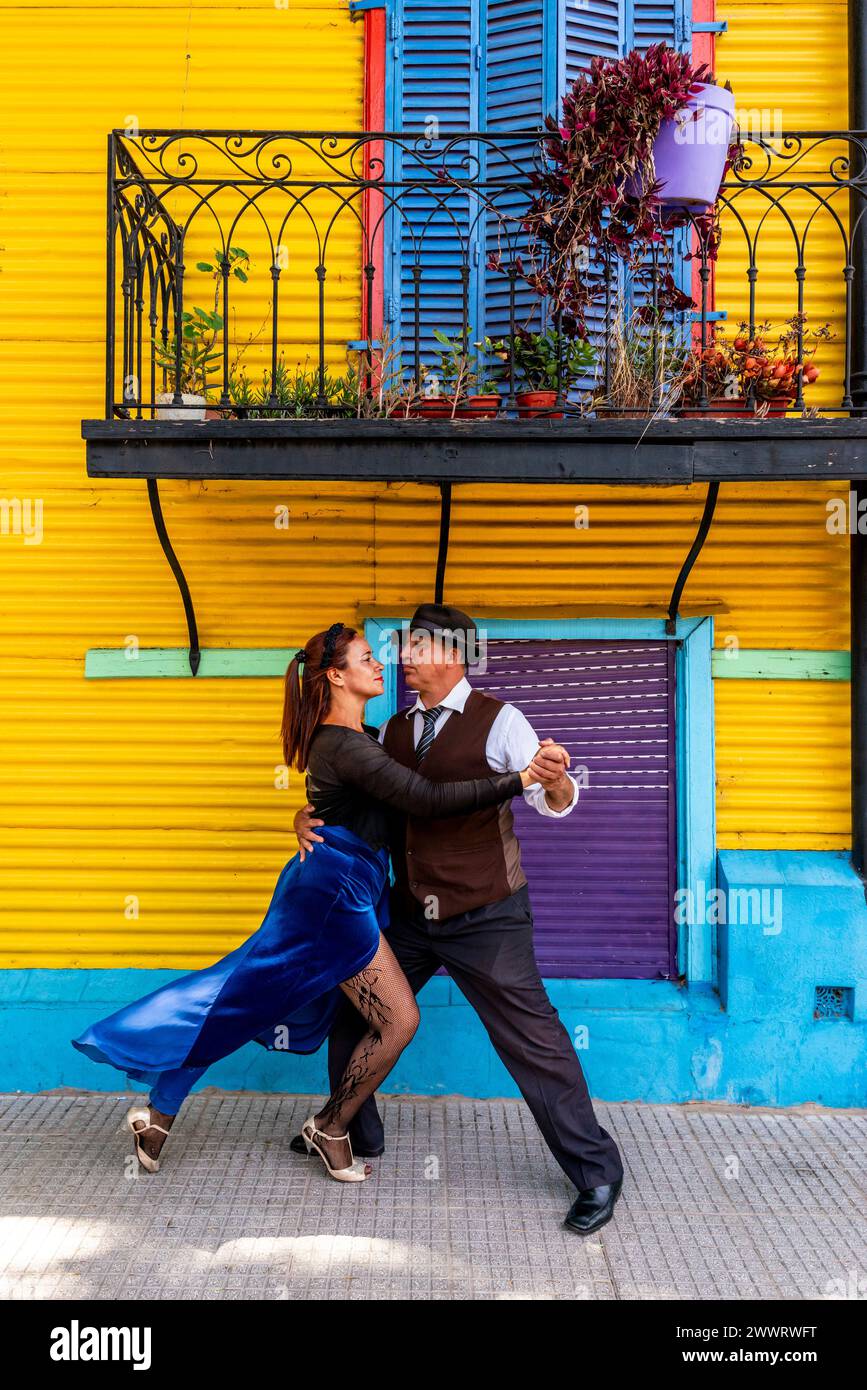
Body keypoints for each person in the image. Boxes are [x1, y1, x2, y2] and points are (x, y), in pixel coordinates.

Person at [70, 622, 554, 1183]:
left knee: (247, 993)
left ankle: (159, 1116)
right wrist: (517, 780)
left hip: (340, 885)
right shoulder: (342, 744)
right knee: (397, 1019)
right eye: (368, 658)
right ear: (336, 675)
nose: (382, 666)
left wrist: (304, 816)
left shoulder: (363, 739)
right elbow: (422, 799)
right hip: (333, 895)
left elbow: (359, 807)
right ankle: (330, 1127)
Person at [290, 604, 624, 1231]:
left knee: (533, 1042)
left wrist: (554, 781)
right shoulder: (388, 731)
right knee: (356, 1014)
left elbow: (556, 798)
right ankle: (347, 1132)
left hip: (487, 914)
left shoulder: (501, 721)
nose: (404, 656)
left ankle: (597, 1173)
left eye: (415, 645)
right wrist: (303, 819)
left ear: (451, 654)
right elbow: (354, 800)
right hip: (413, 911)